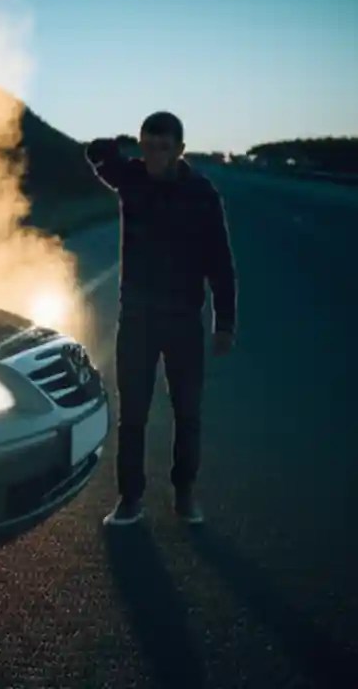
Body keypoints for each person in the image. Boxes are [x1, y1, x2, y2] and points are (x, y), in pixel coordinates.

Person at [85, 111, 237, 527]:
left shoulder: (202, 194)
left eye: (163, 148)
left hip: (183, 319)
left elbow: (220, 261)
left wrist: (224, 322)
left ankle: (185, 494)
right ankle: (129, 499)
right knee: (132, 414)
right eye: (148, 146)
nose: (154, 155)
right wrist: (117, 146)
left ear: (179, 150)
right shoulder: (131, 178)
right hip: (136, 319)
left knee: (187, 413)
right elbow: (96, 154)